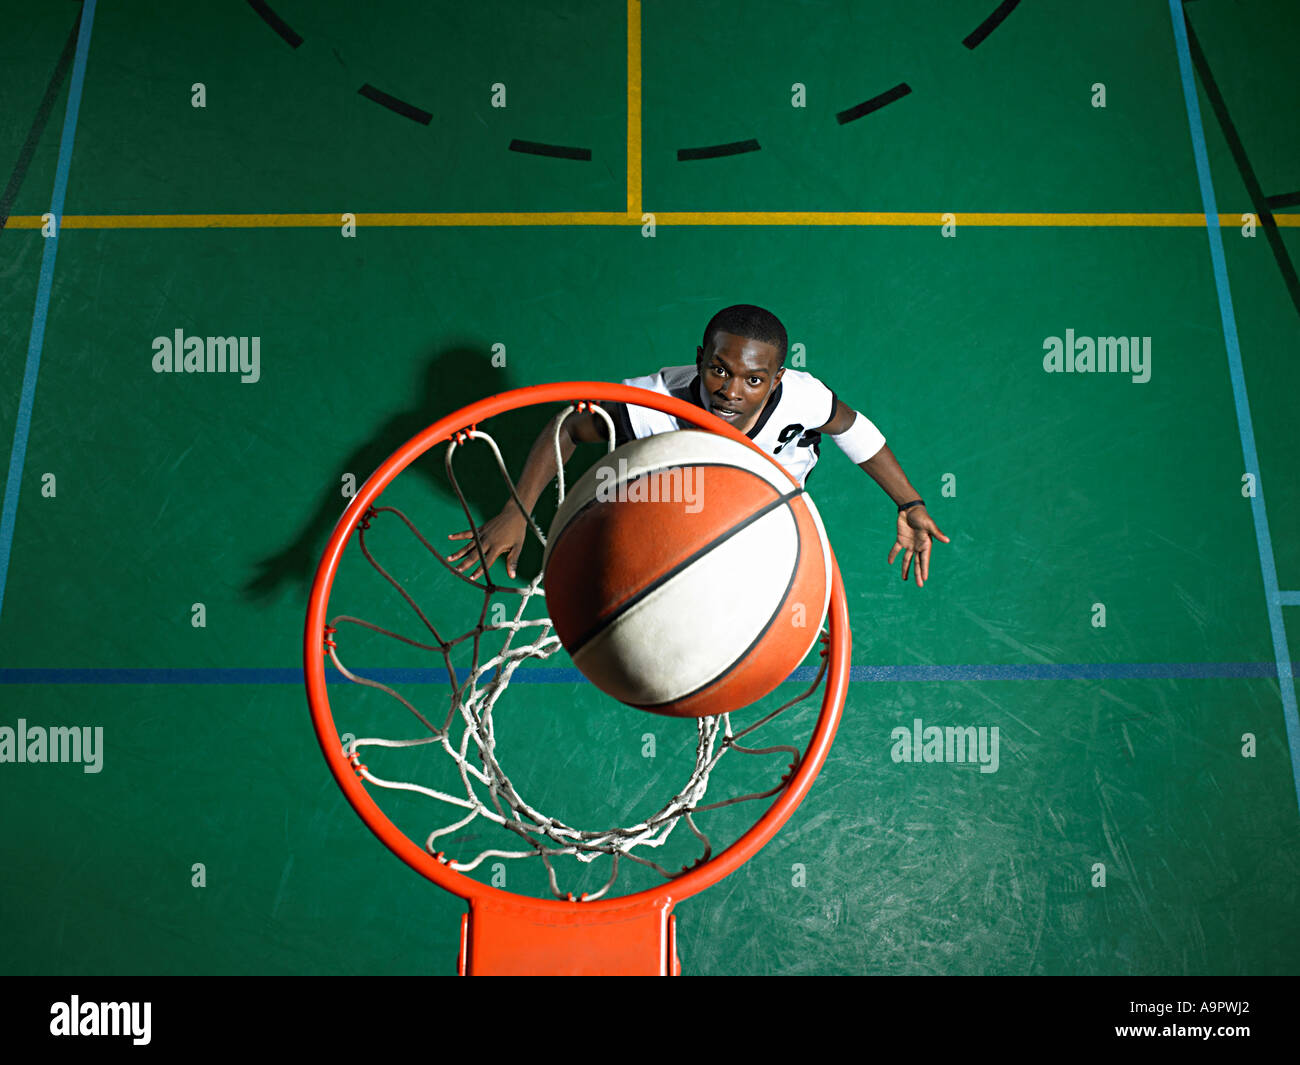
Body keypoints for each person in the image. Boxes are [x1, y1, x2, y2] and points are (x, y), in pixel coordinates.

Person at [449, 304, 948, 585]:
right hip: (675, 492)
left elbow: (850, 427)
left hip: (769, 495)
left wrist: (910, 501)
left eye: (754, 380)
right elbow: (566, 425)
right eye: (719, 370)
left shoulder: (802, 396)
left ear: (776, 380)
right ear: (700, 359)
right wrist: (518, 508)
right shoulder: (649, 401)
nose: (732, 391)